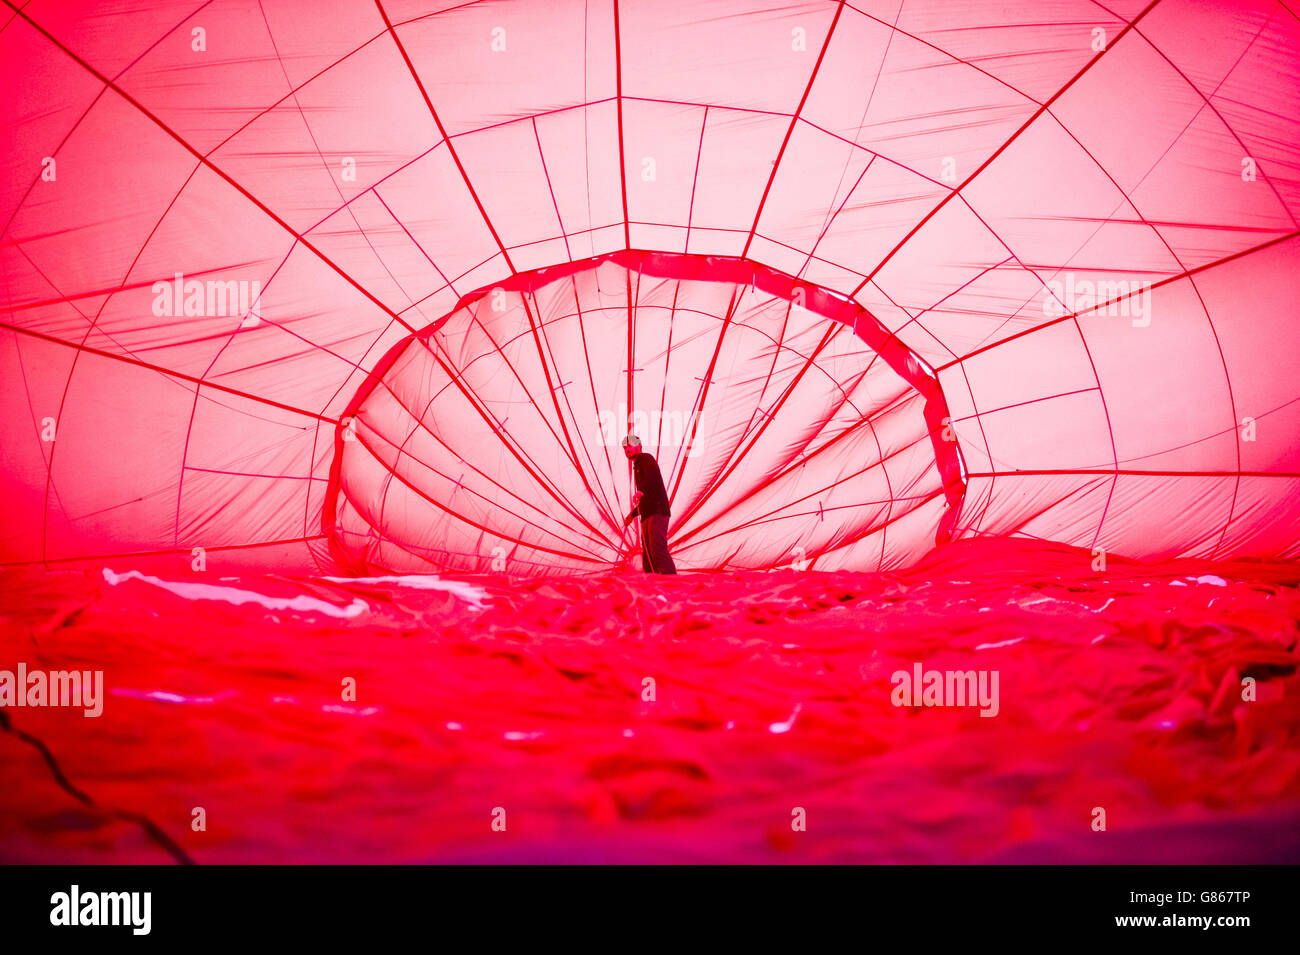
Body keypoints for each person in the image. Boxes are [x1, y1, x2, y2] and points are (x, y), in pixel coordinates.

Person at [620, 433, 677, 575]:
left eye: (630, 446)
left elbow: (653, 477)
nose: (627, 449)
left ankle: (672, 583)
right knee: (648, 554)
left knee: (657, 549)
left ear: (639, 446)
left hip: (657, 511)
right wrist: (632, 515)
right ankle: (653, 584)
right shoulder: (637, 466)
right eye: (624, 448)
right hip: (647, 514)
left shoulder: (645, 458)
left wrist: (641, 491)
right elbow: (645, 497)